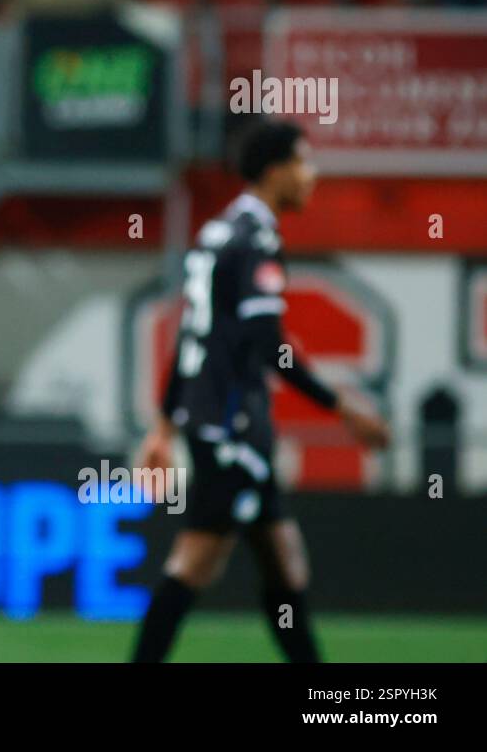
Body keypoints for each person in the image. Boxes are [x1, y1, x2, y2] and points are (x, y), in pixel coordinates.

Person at [132, 119, 390, 663]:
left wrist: (163, 424)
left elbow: (192, 333)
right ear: (275, 172)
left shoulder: (216, 231)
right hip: (233, 428)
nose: (310, 176)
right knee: (195, 561)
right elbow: (269, 346)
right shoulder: (257, 241)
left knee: (284, 562)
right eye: (303, 163)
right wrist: (344, 409)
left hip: (220, 422)